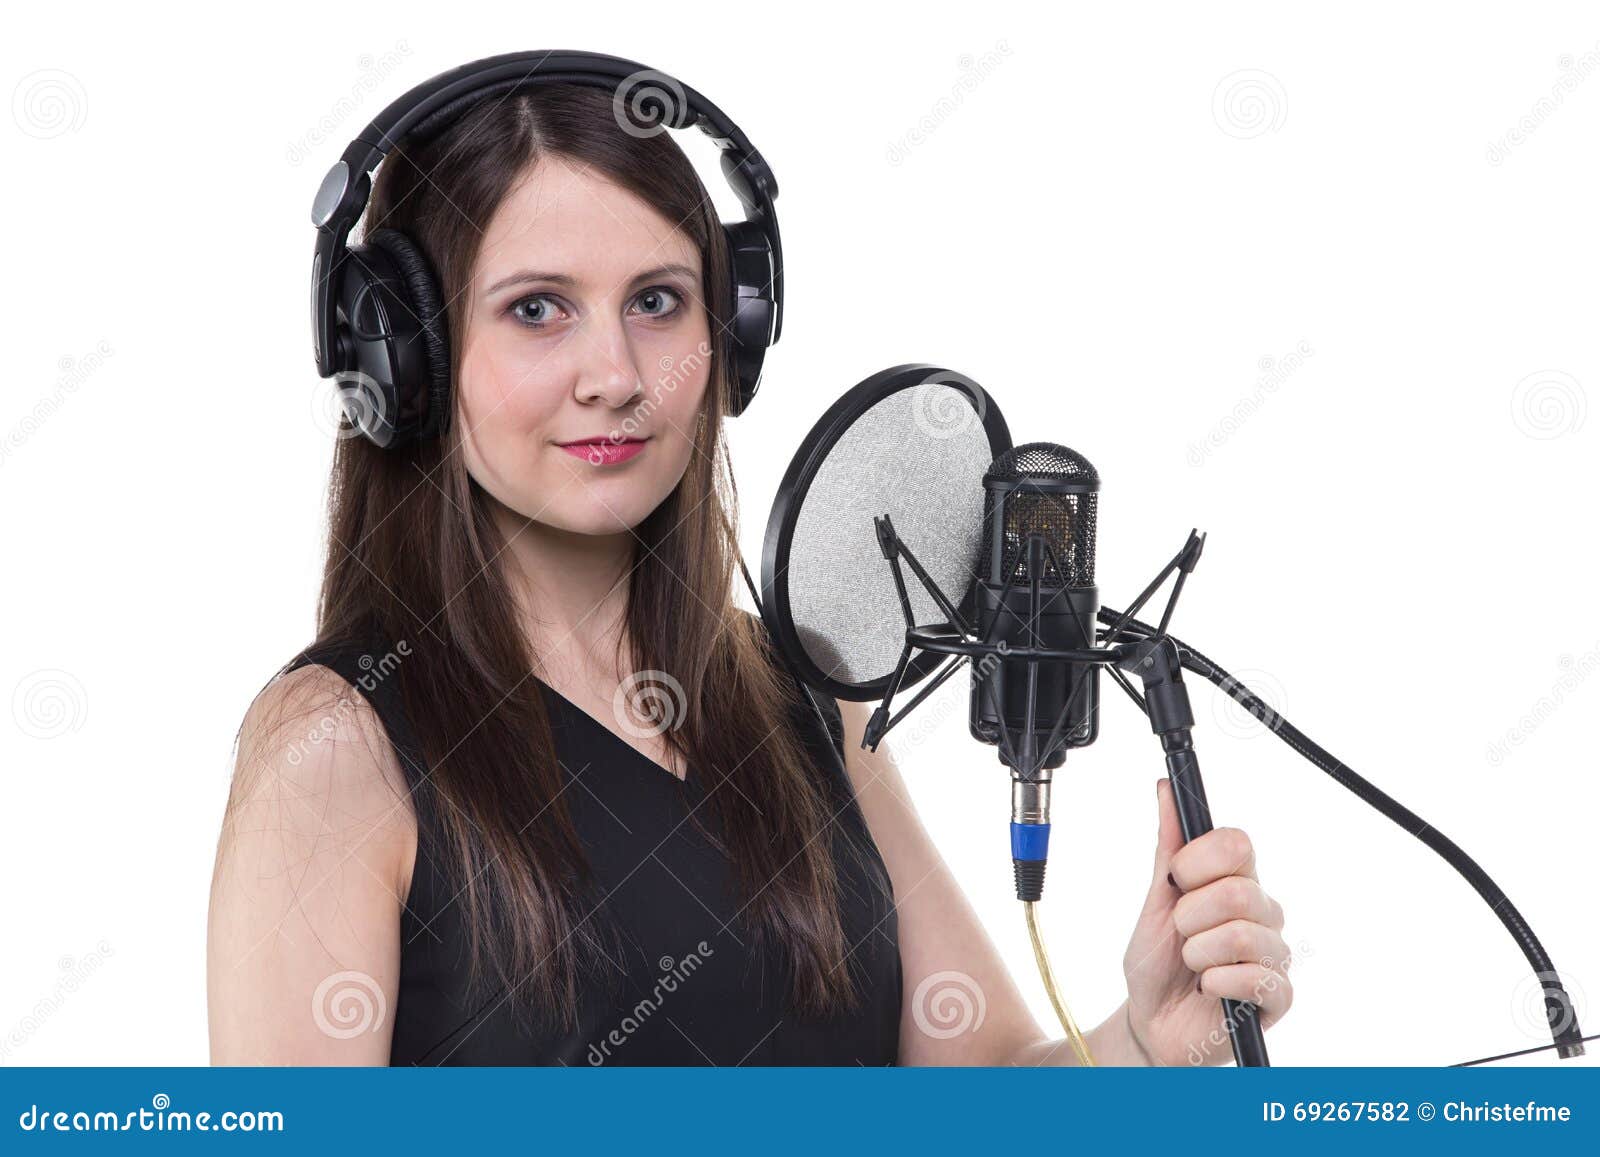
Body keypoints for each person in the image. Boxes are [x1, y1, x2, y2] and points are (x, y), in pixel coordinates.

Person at [206, 75, 1292, 1066]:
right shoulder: (334, 748)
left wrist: (1146, 1037)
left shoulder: (800, 696)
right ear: (404, 357)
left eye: (657, 301)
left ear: (731, 334)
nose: (617, 375)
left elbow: (980, 1089)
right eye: (536, 308)